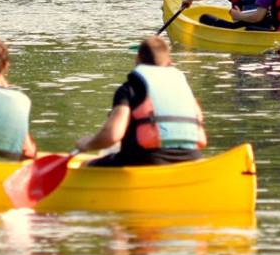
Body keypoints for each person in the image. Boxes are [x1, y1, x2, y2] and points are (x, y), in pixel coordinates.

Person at [73, 36, 207, 165]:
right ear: (170, 62)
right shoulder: (181, 85)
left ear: (137, 59)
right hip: (192, 158)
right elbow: (199, 118)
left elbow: (112, 136)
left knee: (85, 165)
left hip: (145, 160)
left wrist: (87, 143)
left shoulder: (129, 89)